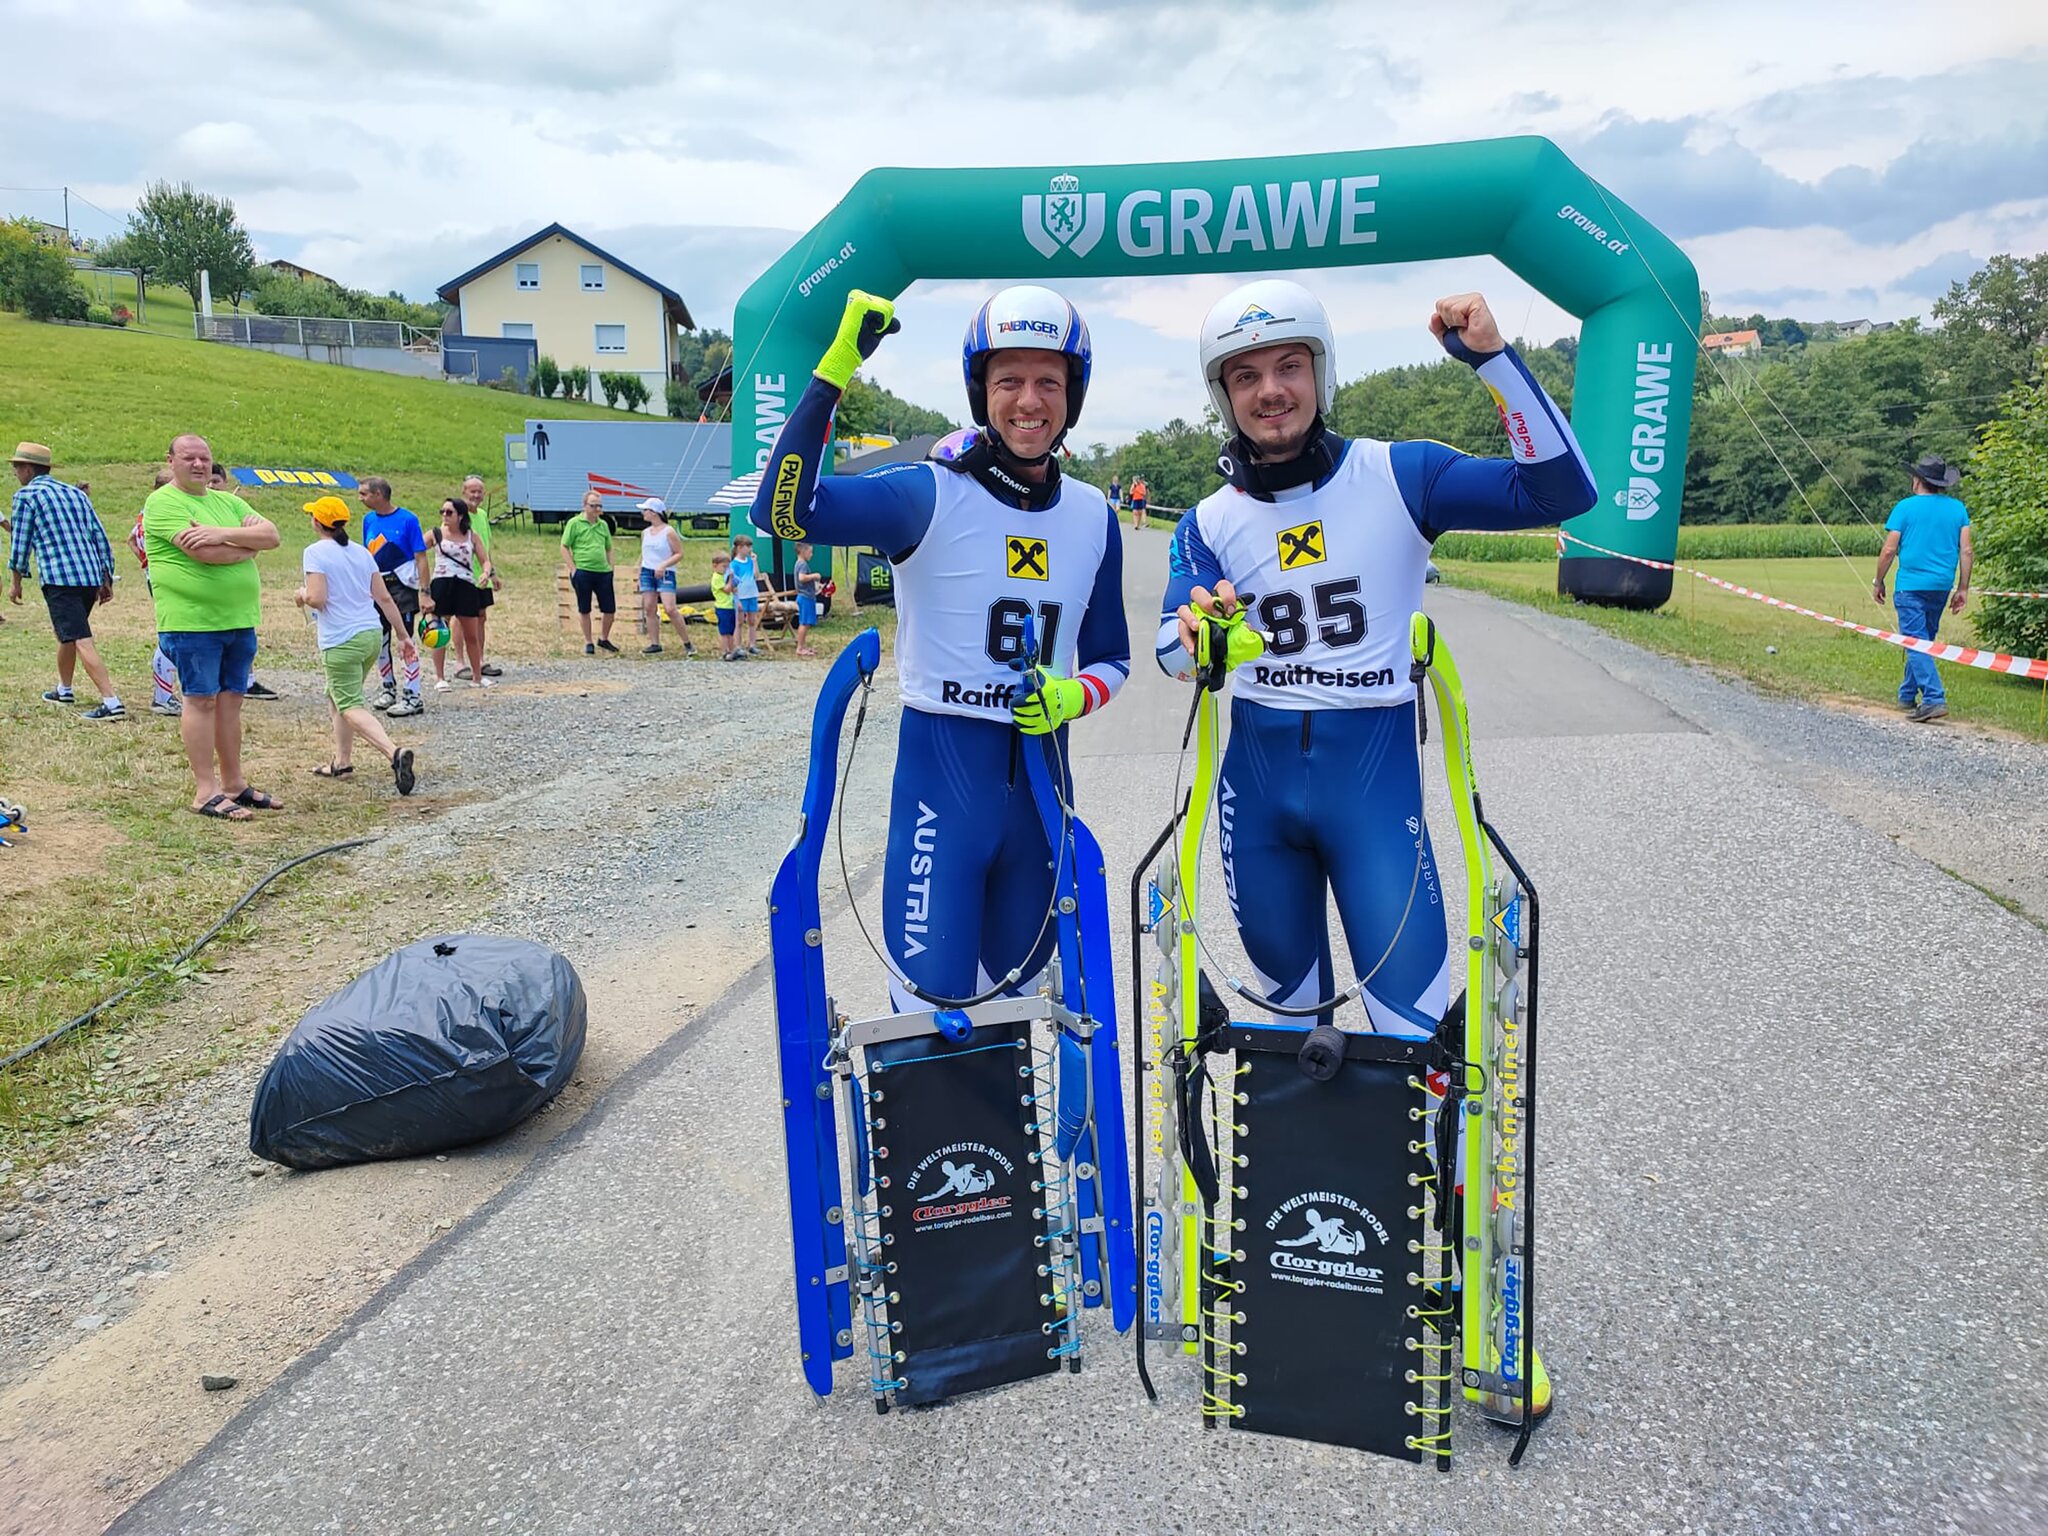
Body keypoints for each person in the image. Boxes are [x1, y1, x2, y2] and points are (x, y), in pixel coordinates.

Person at [1159, 282, 1594, 1417]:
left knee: (1420, 1041)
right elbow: (1167, 644)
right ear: (1223, 394)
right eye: (1244, 376)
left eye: (1287, 367)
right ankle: (1275, 1275)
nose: (1268, 390)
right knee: (1270, 1038)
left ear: (1320, 371)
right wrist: (1190, 634)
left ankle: (1471, 1309)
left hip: (1368, 791)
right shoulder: (1205, 520)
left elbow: (1565, 490)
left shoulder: (1398, 474)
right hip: (1257, 797)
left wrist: (1495, 363)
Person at [750, 286, 1129, 1007]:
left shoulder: (1093, 516)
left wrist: (1071, 696)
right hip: (942, 798)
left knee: (1018, 1034)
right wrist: (833, 374)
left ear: (1071, 396)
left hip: (1042, 799)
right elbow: (781, 510)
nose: (1028, 401)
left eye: (1048, 381)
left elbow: (1113, 659)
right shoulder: (927, 493)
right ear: (980, 390)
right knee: (928, 1038)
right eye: (1008, 380)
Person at [144, 433, 285, 820]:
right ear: (170, 460)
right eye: (188, 457)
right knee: (201, 699)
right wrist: (247, 545)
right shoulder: (162, 502)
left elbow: (272, 536)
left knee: (230, 701)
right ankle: (205, 790)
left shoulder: (228, 501)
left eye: (204, 458)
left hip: (239, 619)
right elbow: (205, 554)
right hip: (193, 621)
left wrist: (224, 533)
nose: (198, 465)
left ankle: (234, 783)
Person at [293, 497, 418, 795]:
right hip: (371, 635)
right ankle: (342, 762)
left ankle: (394, 753)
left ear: (316, 522)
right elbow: (385, 598)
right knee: (337, 697)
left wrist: (301, 595)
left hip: (341, 640)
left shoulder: (314, 552)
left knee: (349, 704)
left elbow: (318, 598)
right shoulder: (362, 553)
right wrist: (402, 635)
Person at [8, 441, 124, 719]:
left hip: (60, 578)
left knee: (81, 638)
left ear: (27, 468)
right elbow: (99, 535)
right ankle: (64, 689)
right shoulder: (76, 493)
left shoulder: (26, 496)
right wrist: (106, 577)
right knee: (68, 635)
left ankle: (112, 702)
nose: (15, 473)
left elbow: (20, 543)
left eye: (16, 467)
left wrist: (16, 581)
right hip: (89, 576)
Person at [1873, 454, 1972, 724]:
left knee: (1915, 642)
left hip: (1910, 587)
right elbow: (1966, 550)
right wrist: (1963, 588)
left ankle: (1933, 698)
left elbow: (1889, 550)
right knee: (1922, 639)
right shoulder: (1958, 509)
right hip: (1941, 587)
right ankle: (1907, 694)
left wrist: (1878, 580)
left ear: (1917, 480)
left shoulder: (1904, 508)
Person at [356, 476, 430, 718]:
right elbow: (367, 555)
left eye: (364, 494)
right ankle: (388, 687)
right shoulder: (368, 520)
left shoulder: (408, 520)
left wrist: (425, 592)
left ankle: (413, 694)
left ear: (378, 494)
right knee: (381, 639)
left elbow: (420, 557)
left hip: (402, 586)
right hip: (377, 585)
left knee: (405, 638)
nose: (360, 499)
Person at [207, 464, 279, 700]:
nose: (211, 485)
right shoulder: (197, 507)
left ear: (225, 483)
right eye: (208, 481)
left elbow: (266, 537)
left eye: (216, 481)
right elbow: (211, 550)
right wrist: (247, 545)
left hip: (238, 599)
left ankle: (246, 681)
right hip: (205, 596)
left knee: (239, 638)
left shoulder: (234, 506)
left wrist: (241, 543)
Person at [131, 468, 184, 715]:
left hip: (156, 577)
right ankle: (162, 697)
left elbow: (131, 540)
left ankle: (164, 695)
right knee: (171, 635)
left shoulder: (145, 514)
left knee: (172, 632)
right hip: (166, 581)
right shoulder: (160, 514)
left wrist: (146, 561)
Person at [426, 498, 492, 688]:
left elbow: (484, 559)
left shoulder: (471, 536)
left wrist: (486, 573)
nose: (445, 516)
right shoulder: (436, 534)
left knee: (471, 634)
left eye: (449, 512)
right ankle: (440, 678)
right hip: (442, 583)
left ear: (460, 516)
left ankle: (477, 676)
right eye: (443, 511)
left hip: (465, 584)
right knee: (439, 631)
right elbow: (417, 549)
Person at [560, 490, 619, 655]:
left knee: (609, 609)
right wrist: (573, 569)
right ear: (585, 506)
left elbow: (608, 547)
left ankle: (604, 638)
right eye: (593, 506)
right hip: (583, 571)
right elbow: (564, 546)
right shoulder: (574, 523)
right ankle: (588, 641)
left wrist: (610, 567)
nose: (597, 509)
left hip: (603, 572)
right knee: (584, 608)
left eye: (599, 506)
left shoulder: (603, 525)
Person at [457, 475, 503, 680]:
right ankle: (460, 663)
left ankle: (480, 660)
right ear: (463, 492)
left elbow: (485, 547)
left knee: (481, 617)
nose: (476, 495)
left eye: (479, 491)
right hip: (463, 576)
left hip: (482, 576)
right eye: (472, 491)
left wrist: (492, 573)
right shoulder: (458, 515)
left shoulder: (483, 515)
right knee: (461, 618)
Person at [634, 497, 693, 656]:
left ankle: (687, 642)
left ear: (654, 513)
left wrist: (664, 564)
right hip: (647, 571)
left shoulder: (669, 531)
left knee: (670, 608)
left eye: (646, 510)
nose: (643, 513)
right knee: (649, 607)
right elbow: (644, 554)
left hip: (665, 572)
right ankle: (655, 643)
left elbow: (679, 553)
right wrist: (639, 573)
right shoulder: (645, 533)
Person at [728, 532, 764, 656]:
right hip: (741, 596)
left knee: (752, 621)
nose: (750, 549)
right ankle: (738, 645)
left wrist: (755, 562)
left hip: (752, 594)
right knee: (739, 622)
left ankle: (752, 644)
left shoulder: (749, 561)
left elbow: (756, 575)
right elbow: (733, 582)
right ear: (739, 547)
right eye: (747, 547)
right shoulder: (734, 564)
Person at [791, 540, 821, 657]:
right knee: (804, 623)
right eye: (810, 552)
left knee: (807, 623)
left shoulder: (799, 563)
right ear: (803, 551)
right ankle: (800, 648)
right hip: (805, 597)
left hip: (807, 596)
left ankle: (803, 646)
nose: (811, 555)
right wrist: (815, 576)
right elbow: (802, 578)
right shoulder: (802, 564)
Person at [709, 549, 738, 659]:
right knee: (725, 632)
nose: (726, 569)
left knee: (731, 630)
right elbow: (726, 589)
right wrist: (731, 579)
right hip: (723, 607)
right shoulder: (717, 577)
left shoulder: (724, 577)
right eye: (724, 567)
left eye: (728, 567)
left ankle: (732, 649)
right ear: (715, 566)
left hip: (730, 606)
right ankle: (725, 651)